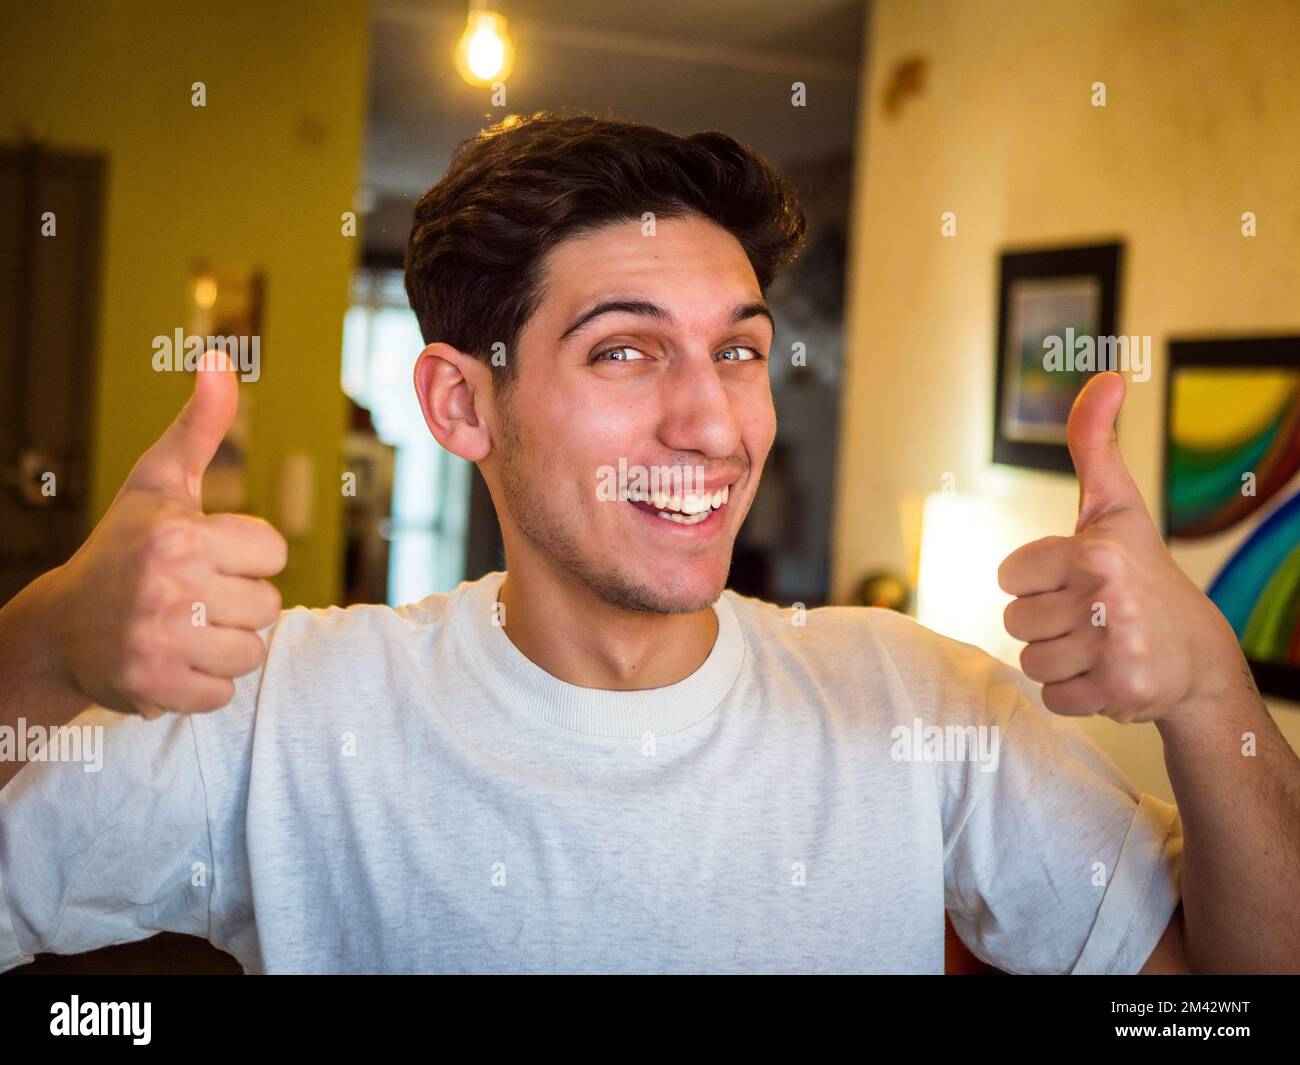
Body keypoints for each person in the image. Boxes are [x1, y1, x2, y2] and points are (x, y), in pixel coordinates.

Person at [1, 113, 1296, 975]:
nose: (714, 421)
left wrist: (1207, 688)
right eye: (625, 349)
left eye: (738, 350)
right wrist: (49, 639)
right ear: (461, 402)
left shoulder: (915, 702)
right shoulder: (285, 710)